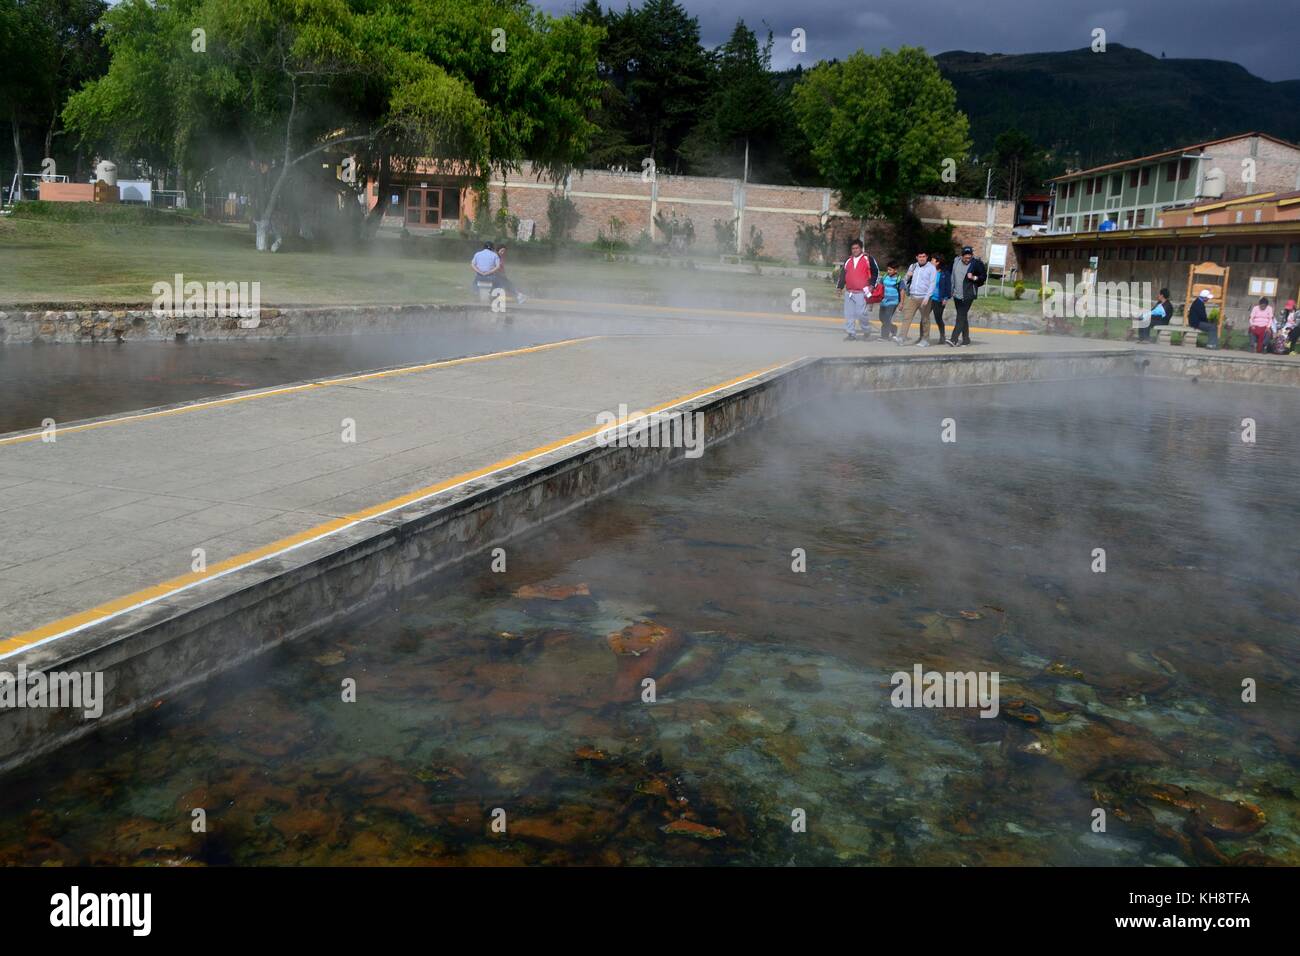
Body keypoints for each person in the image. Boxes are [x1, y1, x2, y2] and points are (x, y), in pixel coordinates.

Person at [837, 239, 879, 341]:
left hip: (861, 292)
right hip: (849, 292)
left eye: (857, 248)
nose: (855, 250)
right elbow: (843, 274)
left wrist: (872, 285)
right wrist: (839, 287)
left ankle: (866, 330)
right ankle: (851, 333)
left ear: (861, 248)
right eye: (853, 248)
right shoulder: (848, 260)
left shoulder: (868, 259)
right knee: (849, 314)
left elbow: (875, 272)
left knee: (861, 314)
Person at [893, 251, 936, 347]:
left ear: (927, 257)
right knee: (907, 317)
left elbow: (932, 284)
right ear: (916, 257)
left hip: (924, 297)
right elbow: (905, 280)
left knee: (925, 319)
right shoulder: (913, 266)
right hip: (912, 296)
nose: (922, 258)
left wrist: (927, 297)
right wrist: (908, 275)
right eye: (920, 256)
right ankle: (901, 337)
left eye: (924, 256)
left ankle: (925, 340)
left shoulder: (931, 268)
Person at [949, 245, 985, 347]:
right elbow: (951, 274)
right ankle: (966, 340)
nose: (967, 259)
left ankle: (954, 339)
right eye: (966, 257)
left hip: (968, 295)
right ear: (962, 256)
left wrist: (974, 277)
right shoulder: (956, 262)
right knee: (963, 317)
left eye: (969, 257)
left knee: (960, 317)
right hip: (957, 294)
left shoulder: (976, 264)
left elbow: (983, 277)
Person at [928, 253, 951, 345]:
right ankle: (922, 337)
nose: (930, 261)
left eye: (932, 260)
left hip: (939, 299)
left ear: (937, 262)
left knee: (938, 318)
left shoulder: (944, 273)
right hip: (929, 298)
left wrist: (946, 298)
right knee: (924, 318)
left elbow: (948, 286)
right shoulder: (929, 271)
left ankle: (942, 336)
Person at [879, 262, 903, 340]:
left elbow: (902, 291)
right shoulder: (885, 276)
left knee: (886, 317)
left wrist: (901, 303)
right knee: (881, 318)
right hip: (883, 300)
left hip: (893, 301)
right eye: (888, 269)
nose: (888, 271)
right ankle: (893, 328)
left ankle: (884, 336)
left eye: (890, 270)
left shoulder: (899, 279)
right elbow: (880, 287)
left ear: (895, 270)